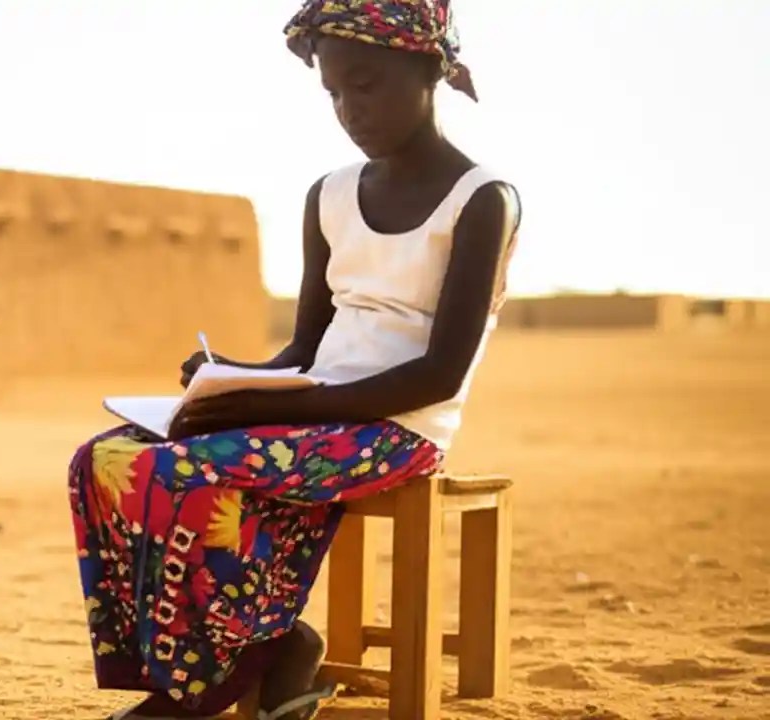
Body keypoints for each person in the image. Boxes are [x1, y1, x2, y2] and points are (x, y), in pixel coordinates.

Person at [66, 2, 521, 718]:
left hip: (400, 429)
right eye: (334, 92)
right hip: (316, 412)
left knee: (181, 469)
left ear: (428, 69)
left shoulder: (481, 199)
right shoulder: (330, 195)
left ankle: (213, 681)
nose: (348, 109)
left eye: (365, 86)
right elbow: (305, 350)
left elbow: (439, 375)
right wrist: (233, 378)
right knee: (105, 460)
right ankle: (252, 651)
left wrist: (277, 406)